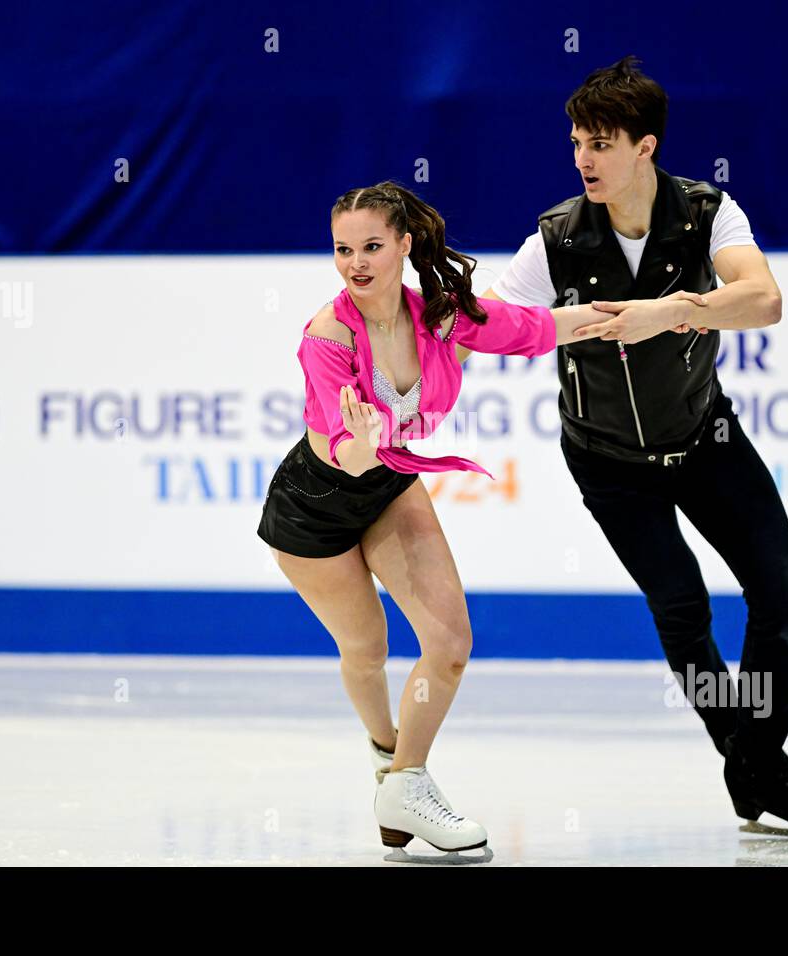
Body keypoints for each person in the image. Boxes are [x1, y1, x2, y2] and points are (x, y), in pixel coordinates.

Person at [484, 57, 788, 833]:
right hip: (608, 460)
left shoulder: (707, 212)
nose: (584, 157)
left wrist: (671, 309)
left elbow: (764, 301)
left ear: (645, 147)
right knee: (683, 608)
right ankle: (759, 768)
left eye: (602, 143)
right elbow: (492, 326)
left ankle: (755, 759)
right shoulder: (553, 242)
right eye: (577, 140)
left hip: (705, 437)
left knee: (779, 596)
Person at [257, 182, 622, 855]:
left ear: (403, 243)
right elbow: (344, 448)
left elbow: (535, 329)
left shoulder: (443, 317)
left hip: (390, 484)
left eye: (370, 246)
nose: (355, 262)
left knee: (449, 642)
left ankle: (405, 783)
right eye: (343, 249)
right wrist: (363, 439)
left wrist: (628, 317)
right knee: (366, 647)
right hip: (313, 506)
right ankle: (387, 760)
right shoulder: (327, 335)